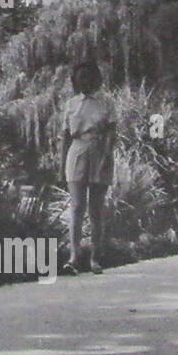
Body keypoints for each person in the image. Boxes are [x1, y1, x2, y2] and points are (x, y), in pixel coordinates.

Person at [60, 61, 115, 275]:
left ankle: (95, 258)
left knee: (96, 209)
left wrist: (106, 157)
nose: (85, 81)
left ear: (95, 78)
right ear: (75, 80)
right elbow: (65, 136)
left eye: (88, 76)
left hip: (99, 150)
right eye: (80, 77)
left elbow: (112, 131)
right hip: (77, 151)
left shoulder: (106, 102)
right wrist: (61, 162)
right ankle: (74, 256)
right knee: (76, 207)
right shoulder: (71, 104)